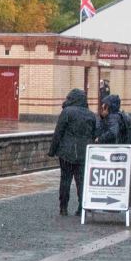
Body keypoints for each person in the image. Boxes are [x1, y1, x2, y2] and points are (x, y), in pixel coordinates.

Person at [48, 88, 96, 216]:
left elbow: (58, 133)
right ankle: (82, 207)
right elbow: (94, 134)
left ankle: (63, 207)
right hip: (84, 153)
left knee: (65, 180)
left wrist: (52, 151)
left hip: (66, 153)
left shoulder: (67, 112)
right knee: (81, 181)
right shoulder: (91, 115)